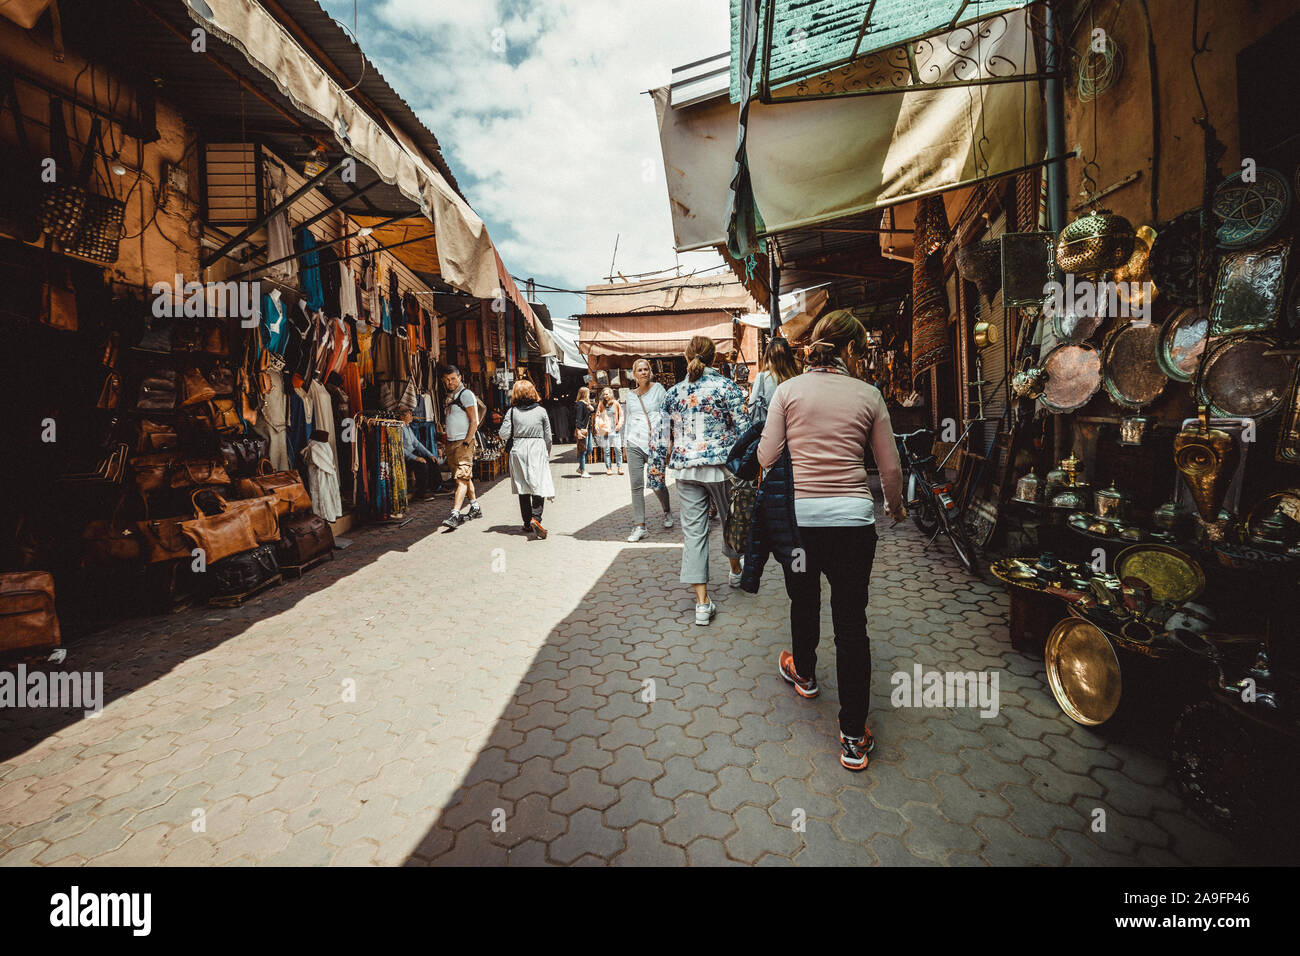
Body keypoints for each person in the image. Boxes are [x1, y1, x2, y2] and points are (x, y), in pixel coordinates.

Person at [756, 311, 906, 772]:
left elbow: (765, 455)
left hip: (800, 527)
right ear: (852, 351)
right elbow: (891, 469)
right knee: (851, 623)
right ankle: (853, 736)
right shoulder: (869, 394)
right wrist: (895, 508)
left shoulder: (787, 391)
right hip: (853, 527)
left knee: (803, 601)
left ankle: (804, 675)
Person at [648, 335, 749, 627]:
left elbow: (659, 437)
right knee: (732, 520)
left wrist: (656, 474)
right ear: (714, 357)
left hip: (686, 470)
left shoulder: (673, 393)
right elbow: (745, 430)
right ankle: (735, 570)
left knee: (693, 534)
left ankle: (702, 605)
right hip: (721, 467)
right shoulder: (726, 386)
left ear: (686, 355)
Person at [623, 358, 673, 542]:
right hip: (634, 443)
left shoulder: (658, 389)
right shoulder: (630, 395)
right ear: (634, 374)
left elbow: (667, 414)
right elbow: (629, 419)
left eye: (646, 369)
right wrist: (625, 444)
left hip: (655, 443)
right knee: (636, 486)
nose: (643, 372)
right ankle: (640, 526)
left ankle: (667, 511)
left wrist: (667, 441)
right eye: (640, 370)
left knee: (657, 483)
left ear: (650, 372)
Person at [499, 379, 554, 538]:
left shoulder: (512, 412)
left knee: (522, 486)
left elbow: (503, 434)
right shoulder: (541, 411)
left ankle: (526, 522)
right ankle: (536, 518)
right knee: (538, 484)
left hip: (518, 449)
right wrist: (547, 453)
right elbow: (548, 436)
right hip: (537, 447)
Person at [440, 366, 482, 529]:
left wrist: (467, 441)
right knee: (464, 477)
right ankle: (475, 507)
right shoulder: (451, 396)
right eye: (447, 380)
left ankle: (454, 514)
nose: (450, 382)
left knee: (461, 479)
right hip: (451, 443)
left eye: (453, 379)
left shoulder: (466, 395)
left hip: (463, 443)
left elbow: (474, 420)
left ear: (460, 377)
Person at [748, 336, 798, 425]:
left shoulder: (762, 377)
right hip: (791, 428)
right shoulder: (796, 378)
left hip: (768, 429)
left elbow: (751, 407)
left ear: (768, 356)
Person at [398, 406, 442, 499]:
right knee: (422, 465)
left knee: (433, 461)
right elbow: (400, 448)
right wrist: (416, 458)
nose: (411, 416)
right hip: (405, 457)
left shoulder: (408, 427)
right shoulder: (399, 429)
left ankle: (436, 487)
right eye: (409, 414)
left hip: (413, 453)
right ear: (402, 417)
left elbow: (417, 443)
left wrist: (430, 455)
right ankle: (422, 492)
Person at [594, 387, 624, 476]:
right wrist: (597, 424)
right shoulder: (601, 404)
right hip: (605, 431)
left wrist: (619, 425)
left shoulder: (616, 403)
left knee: (618, 449)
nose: (605, 396)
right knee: (606, 450)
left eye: (607, 394)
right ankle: (609, 468)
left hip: (615, 430)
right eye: (603, 394)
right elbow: (597, 416)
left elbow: (621, 415)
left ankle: (620, 467)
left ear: (610, 394)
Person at [573, 386, 595, 478]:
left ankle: (580, 467)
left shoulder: (585, 404)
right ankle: (583, 471)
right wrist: (578, 431)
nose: (589, 394)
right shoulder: (580, 404)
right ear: (585, 393)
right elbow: (578, 418)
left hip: (588, 430)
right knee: (583, 450)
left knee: (589, 449)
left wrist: (590, 406)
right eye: (588, 393)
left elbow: (593, 410)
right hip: (582, 430)